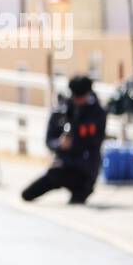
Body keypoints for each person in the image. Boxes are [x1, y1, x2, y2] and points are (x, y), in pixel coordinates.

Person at [21, 76, 106, 204]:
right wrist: (60, 144)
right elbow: (49, 140)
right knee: (27, 195)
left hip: (85, 169)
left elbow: (95, 141)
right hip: (62, 166)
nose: (78, 100)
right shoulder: (61, 111)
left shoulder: (97, 113)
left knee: (79, 198)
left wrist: (73, 144)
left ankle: (80, 192)